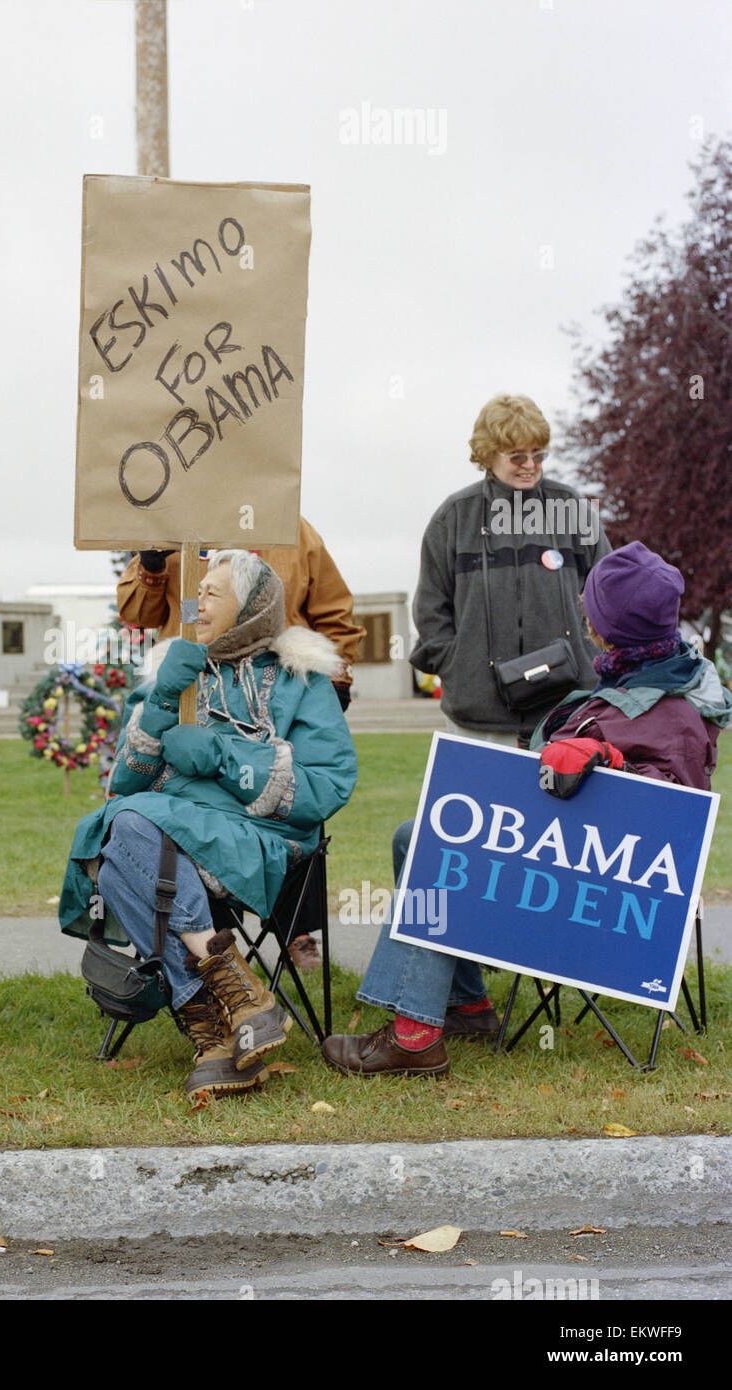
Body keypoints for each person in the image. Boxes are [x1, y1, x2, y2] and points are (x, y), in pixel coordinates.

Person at [322, 541, 730, 1077]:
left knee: (436, 847)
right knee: (411, 834)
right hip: (564, 856)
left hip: (599, 895)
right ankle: (467, 1004)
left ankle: (415, 1036)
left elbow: (667, 817)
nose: (585, 622)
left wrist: (603, 758)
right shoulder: (644, 676)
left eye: (592, 612)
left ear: (612, 627)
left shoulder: (675, 708)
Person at [60, 551, 357, 1096]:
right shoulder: (174, 671)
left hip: (263, 842)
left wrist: (224, 757)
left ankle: (209, 1027)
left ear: (252, 605)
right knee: (125, 830)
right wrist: (162, 701)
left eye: (214, 593)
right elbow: (122, 785)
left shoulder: (300, 679)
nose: (197, 604)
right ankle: (235, 1003)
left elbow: (329, 786)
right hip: (167, 838)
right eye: (196, 594)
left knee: (117, 847)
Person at [410, 394, 611, 746]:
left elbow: (608, 592)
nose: (530, 465)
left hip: (567, 709)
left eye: (538, 455)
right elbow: (431, 608)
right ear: (487, 454)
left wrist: (590, 655)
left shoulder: (571, 508)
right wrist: (460, 666)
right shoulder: (454, 517)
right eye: (517, 456)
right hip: (478, 717)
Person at [117, 518, 366, 709]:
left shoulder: (290, 527)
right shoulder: (177, 526)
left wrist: (336, 679)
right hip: (192, 686)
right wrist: (151, 568)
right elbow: (137, 614)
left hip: (281, 690)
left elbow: (333, 614)